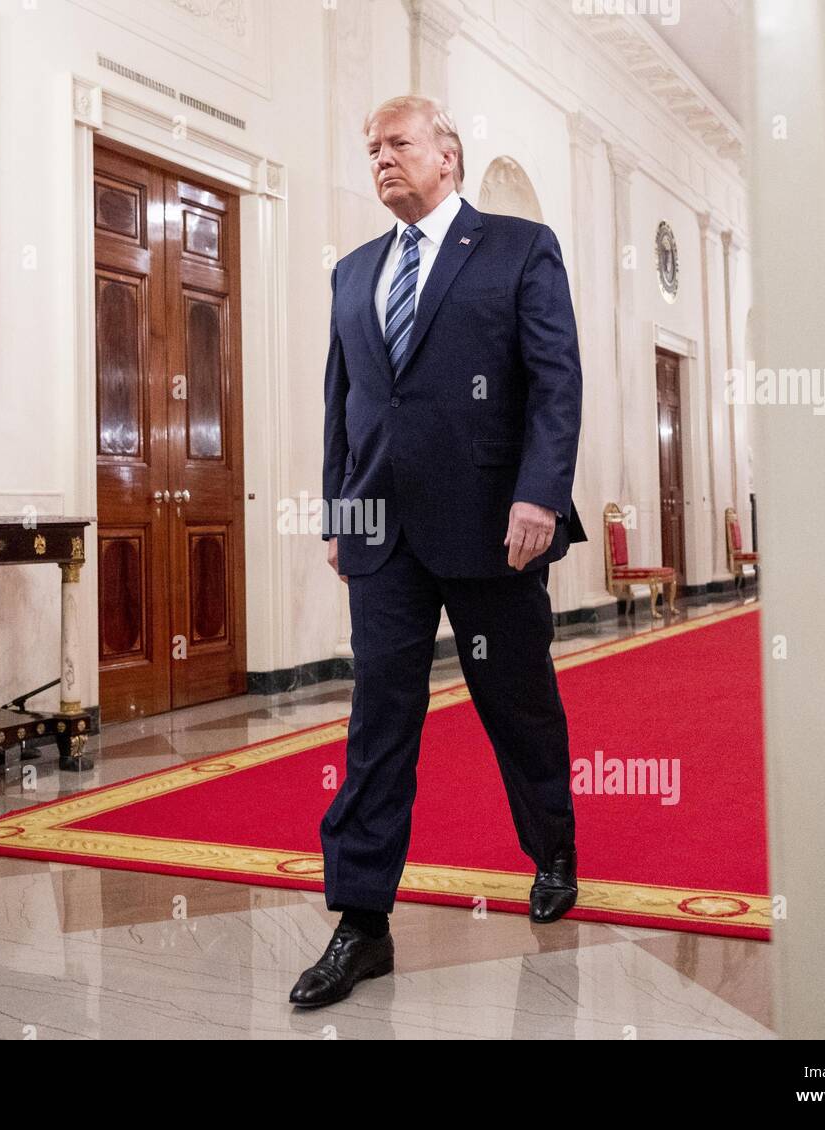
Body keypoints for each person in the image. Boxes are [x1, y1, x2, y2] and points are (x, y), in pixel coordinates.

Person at [290, 95, 587, 1009]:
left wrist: (540, 491)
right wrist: (341, 512)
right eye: (371, 146)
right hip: (382, 534)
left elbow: (555, 378)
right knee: (380, 718)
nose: (382, 158)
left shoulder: (518, 248)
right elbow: (344, 404)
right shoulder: (352, 272)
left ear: (447, 155)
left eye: (399, 143)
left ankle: (553, 849)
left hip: (493, 524)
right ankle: (361, 920)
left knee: (517, 701)